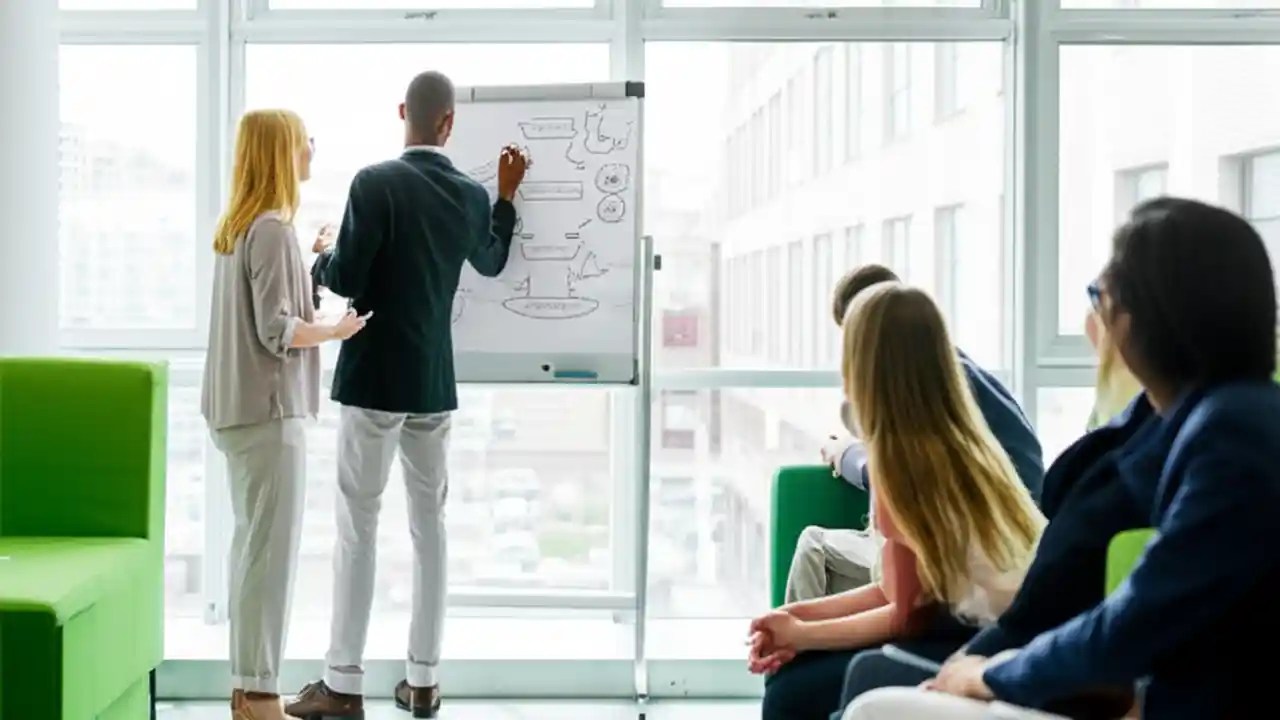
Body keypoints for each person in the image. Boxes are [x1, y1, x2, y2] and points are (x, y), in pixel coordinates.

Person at [843, 198, 1280, 720]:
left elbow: (1133, 622)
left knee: (876, 708)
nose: (1096, 322)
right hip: (1150, 692)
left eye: (1101, 300)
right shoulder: (1208, 416)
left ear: (1146, 320)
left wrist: (990, 674)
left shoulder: (1230, 434)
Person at [284, 71, 528, 720]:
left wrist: (321, 255)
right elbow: (495, 261)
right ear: (449, 123)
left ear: (404, 114)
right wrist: (506, 197)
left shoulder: (373, 183)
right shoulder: (472, 197)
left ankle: (341, 685)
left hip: (372, 380)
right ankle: (423, 682)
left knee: (357, 529)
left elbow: (347, 277)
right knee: (430, 530)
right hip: (431, 385)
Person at [750, 282, 1046, 720]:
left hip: (984, 647)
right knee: (798, 679)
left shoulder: (904, 464)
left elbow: (906, 617)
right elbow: (899, 592)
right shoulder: (966, 443)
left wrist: (801, 633)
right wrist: (794, 618)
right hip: (1014, 634)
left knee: (791, 694)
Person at [202, 109, 367, 720]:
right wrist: (336, 330)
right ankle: (262, 696)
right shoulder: (270, 229)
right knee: (269, 559)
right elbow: (277, 332)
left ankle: (248, 690)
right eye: (304, 141)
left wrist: (310, 266)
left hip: (238, 412)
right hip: (269, 414)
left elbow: (264, 315)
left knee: (251, 553)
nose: (311, 150)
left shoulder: (241, 227)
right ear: (281, 152)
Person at [786, 264, 1045, 603]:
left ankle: (789, 653)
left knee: (813, 547)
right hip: (976, 547)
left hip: (962, 553)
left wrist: (846, 454)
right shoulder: (946, 372)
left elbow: (902, 476)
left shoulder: (933, 384)